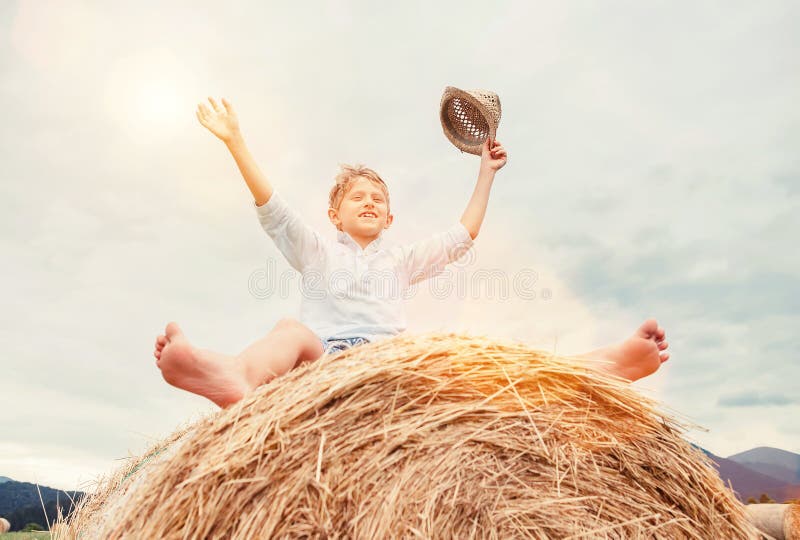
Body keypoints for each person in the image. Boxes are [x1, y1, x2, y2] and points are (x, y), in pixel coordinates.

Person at [153, 97, 670, 408]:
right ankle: (236, 376)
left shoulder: (399, 260)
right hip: (323, 363)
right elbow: (273, 206)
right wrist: (236, 142)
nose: (370, 202)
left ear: (391, 217)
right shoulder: (314, 250)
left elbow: (461, 237)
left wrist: (485, 174)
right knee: (290, 330)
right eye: (358, 196)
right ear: (334, 215)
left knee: (476, 355)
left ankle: (592, 369)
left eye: (379, 198)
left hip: (389, 360)